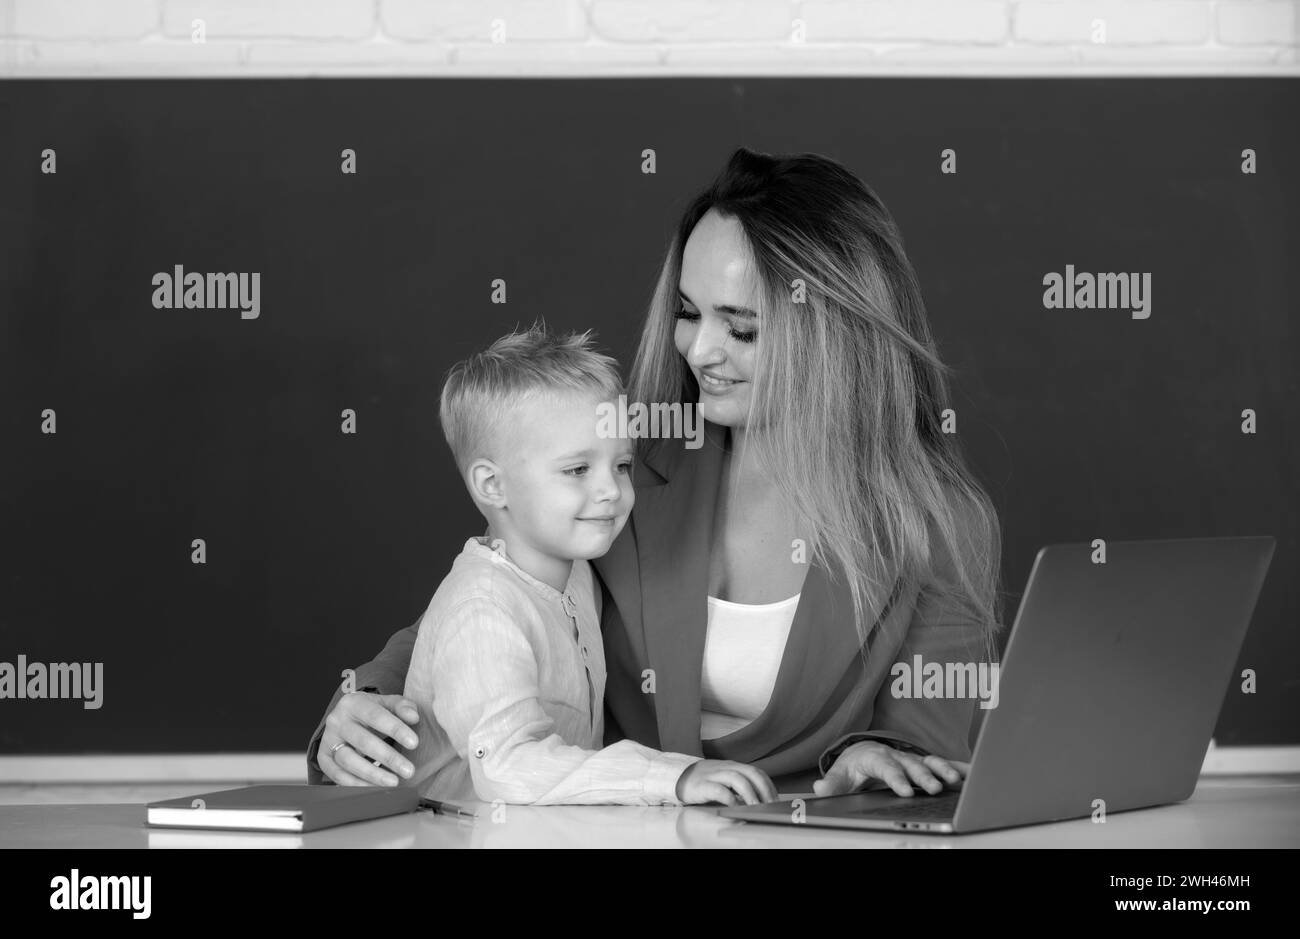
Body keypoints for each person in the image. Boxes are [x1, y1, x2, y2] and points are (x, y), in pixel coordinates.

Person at [308, 147, 1005, 802]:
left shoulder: (939, 523)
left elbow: (922, 747)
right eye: (688, 312)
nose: (700, 349)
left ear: (838, 331)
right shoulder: (622, 469)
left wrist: (877, 758)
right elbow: (488, 605)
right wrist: (363, 702)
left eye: (743, 328)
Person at [397, 325, 774, 806]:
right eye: (577, 469)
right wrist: (670, 778)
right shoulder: (482, 612)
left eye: (621, 465)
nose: (612, 491)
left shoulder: (574, 574)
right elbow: (507, 766)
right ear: (493, 485)